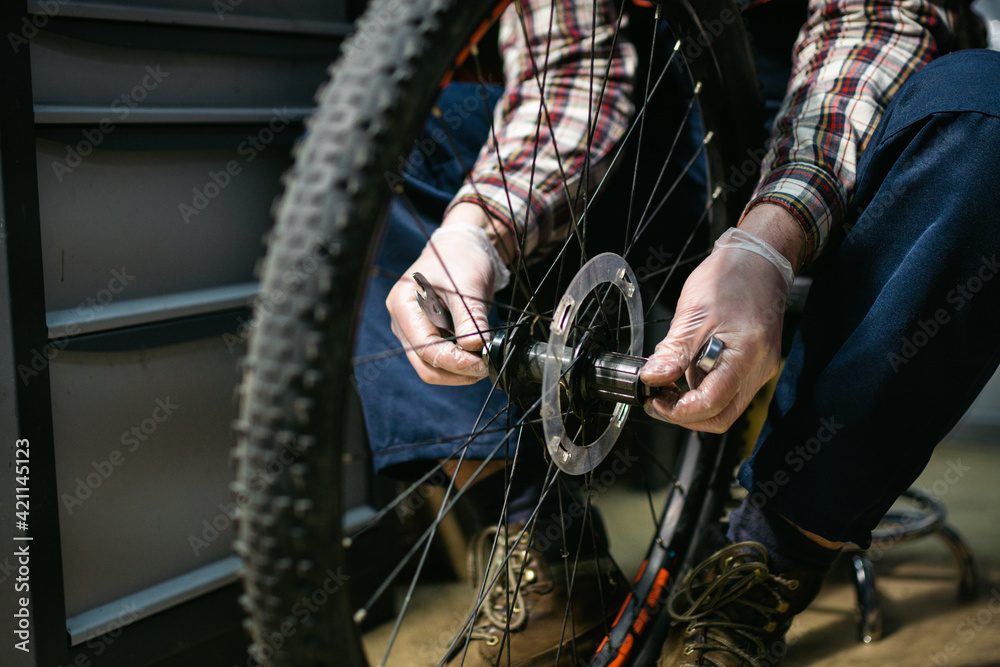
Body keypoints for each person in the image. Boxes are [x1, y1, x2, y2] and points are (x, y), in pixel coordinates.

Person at [356, 0, 997, 665]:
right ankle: (545, 555)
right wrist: (480, 226)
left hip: (841, 122)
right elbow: (570, 69)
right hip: (653, 125)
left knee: (986, 109)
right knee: (390, 140)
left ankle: (762, 567)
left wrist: (769, 240)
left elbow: (867, 34)